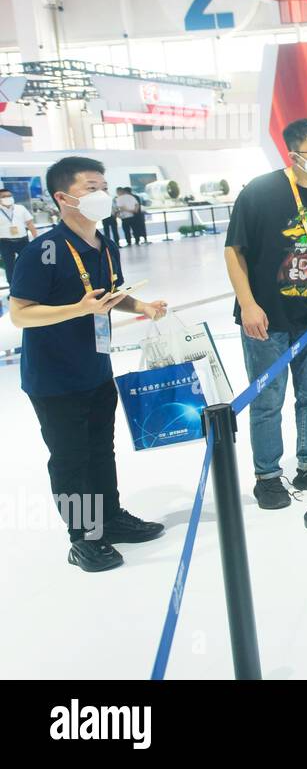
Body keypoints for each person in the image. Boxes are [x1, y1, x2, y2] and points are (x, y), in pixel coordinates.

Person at [8, 156, 169, 573]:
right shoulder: (43, 250)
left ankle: (110, 519)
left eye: (103, 186)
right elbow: (21, 314)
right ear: (63, 198)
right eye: (90, 187)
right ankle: (83, 537)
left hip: (96, 367)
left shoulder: (104, 243)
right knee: (70, 457)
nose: (101, 195)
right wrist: (76, 309)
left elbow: (108, 295)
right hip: (55, 378)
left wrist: (142, 306)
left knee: (101, 449)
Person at [224, 118, 307, 510]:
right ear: (294, 153)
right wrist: (248, 304)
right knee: (268, 399)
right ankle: (267, 475)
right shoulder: (260, 192)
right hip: (266, 316)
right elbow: (234, 251)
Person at [0, 187, 38, 287]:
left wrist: (36, 238)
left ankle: (31, 285)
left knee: (27, 263)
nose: (7, 198)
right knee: (9, 266)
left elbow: (29, 223)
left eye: (9, 196)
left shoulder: (20, 208)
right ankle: (13, 289)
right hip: (5, 242)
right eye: (4, 197)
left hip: (22, 240)